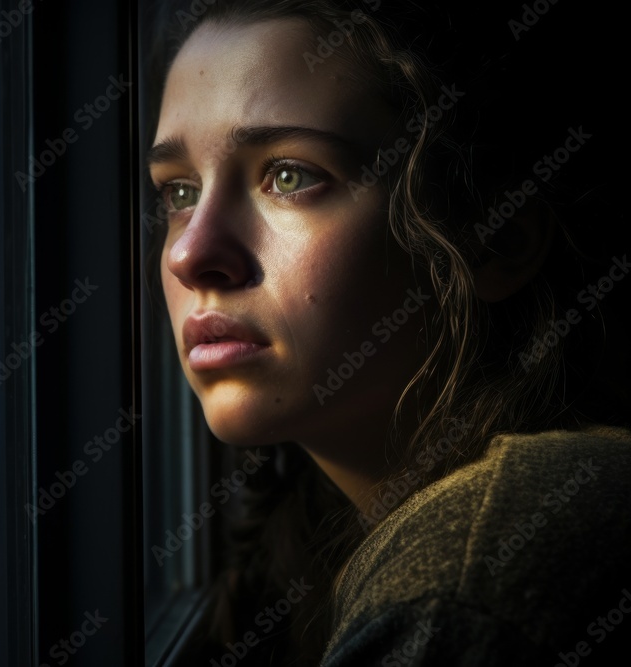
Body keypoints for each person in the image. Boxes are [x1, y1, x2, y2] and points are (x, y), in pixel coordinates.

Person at [145, 0, 631, 664]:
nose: (189, 253)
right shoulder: (331, 548)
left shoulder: (472, 571)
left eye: (289, 176)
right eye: (178, 193)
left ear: (495, 237)